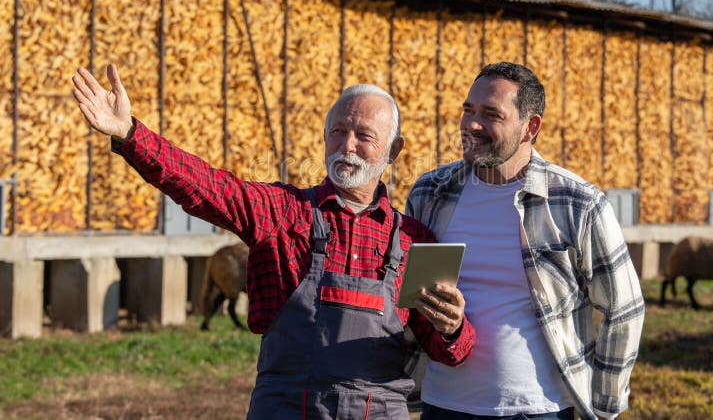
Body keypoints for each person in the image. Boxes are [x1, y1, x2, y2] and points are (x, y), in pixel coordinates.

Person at [71, 64, 475, 420]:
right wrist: (129, 133)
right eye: (338, 132)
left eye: (364, 135)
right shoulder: (283, 213)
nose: (347, 145)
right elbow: (206, 186)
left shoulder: (414, 241)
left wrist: (454, 328)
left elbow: (445, 350)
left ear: (394, 151)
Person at [406, 62, 645, 420]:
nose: (471, 124)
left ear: (529, 127)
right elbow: (408, 296)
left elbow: (623, 308)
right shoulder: (430, 192)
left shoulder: (577, 202)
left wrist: (605, 407)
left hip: (539, 409)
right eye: (468, 110)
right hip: (442, 404)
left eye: (491, 114)